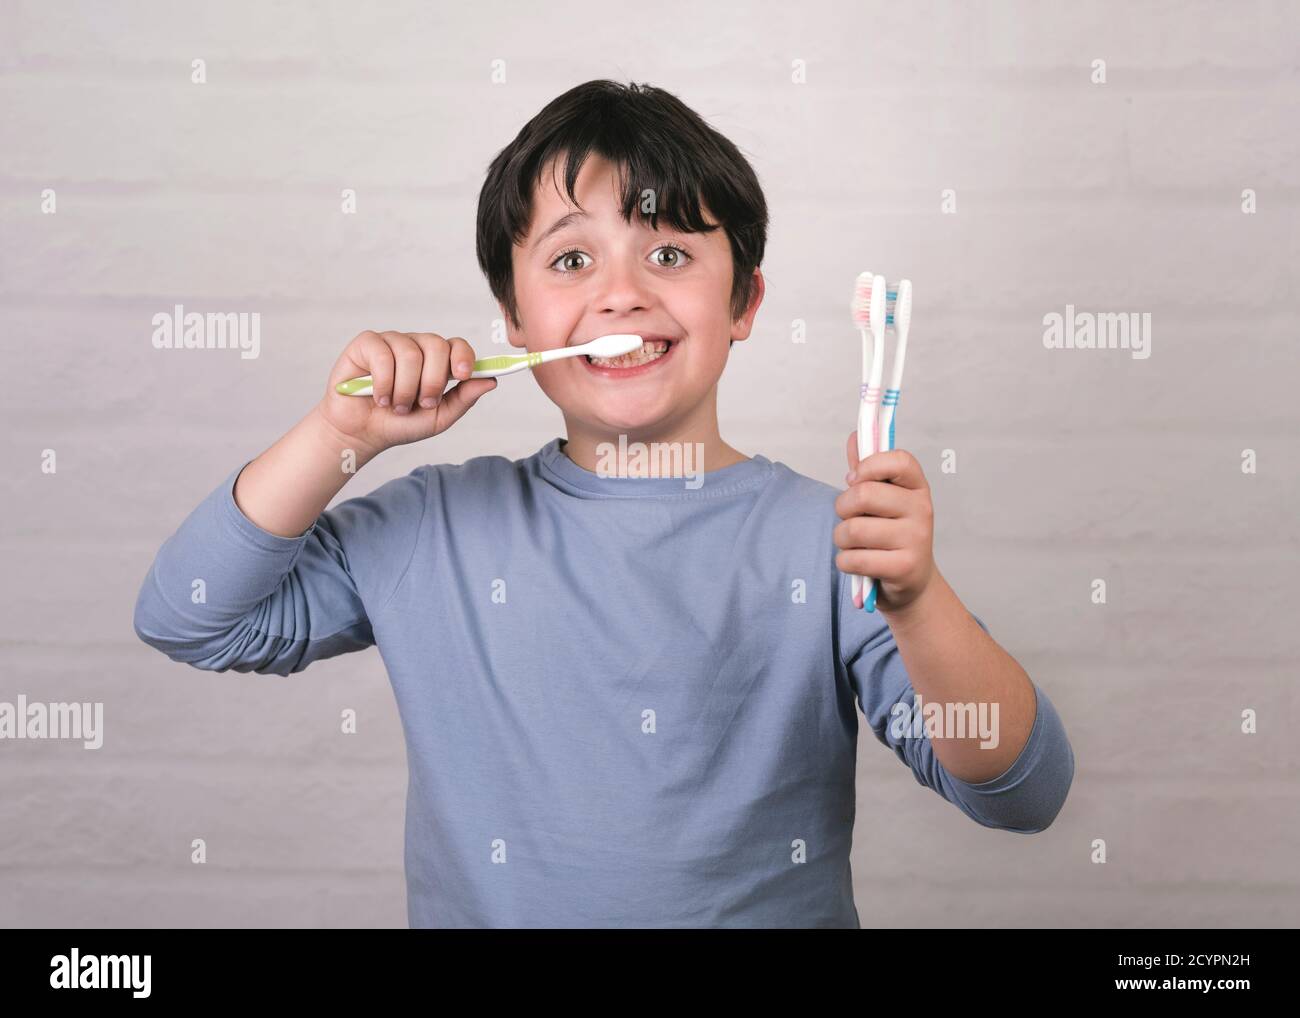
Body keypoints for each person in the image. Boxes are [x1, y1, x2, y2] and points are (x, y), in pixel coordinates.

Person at [134, 79, 1074, 928]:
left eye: (668, 251)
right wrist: (344, 436)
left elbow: (1019, 793)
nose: (621, 295)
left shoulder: (834, 546)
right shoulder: (433, 527)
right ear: (513, 317)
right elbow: (192, 618)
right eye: (572, 262)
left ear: (744, 301)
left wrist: (918, 601)